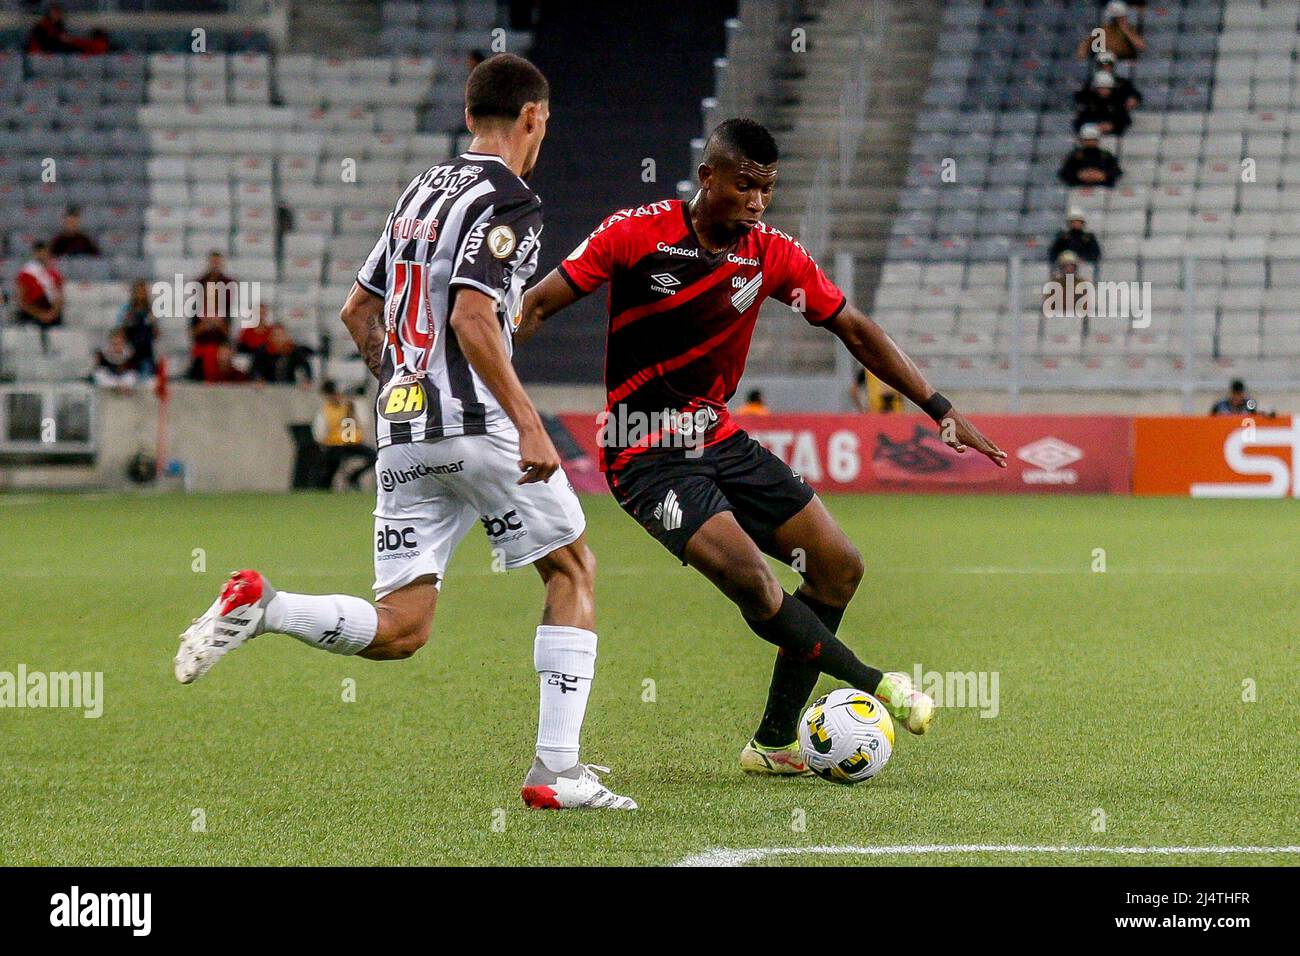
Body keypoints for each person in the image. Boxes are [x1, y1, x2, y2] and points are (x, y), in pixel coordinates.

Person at [174, 54, 635, 812]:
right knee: (572, 572)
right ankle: (556, 770)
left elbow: (358, 310)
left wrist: (401, 383)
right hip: (481, 425)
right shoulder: (514, 198)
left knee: (402, 629)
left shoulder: (419, 192)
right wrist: (529, 424)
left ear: (466, 117)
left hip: (404, 433)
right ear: (533, 118)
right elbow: (472, 315)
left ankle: (266, 607)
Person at [517, 117, 1007, 776]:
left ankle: (774, 745)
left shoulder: (771, 253)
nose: (757, 202)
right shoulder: (636, 234)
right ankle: (878, 683)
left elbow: (855, 330)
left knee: (838, 566)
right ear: (708, 177)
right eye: (745, 186)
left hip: (717, 436)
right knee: (754, 580)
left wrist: (940, 410)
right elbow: (537, 306)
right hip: (643, 454)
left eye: (767, 189)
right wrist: (472, 370)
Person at [314, 380, 378, 489]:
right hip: (335, 445)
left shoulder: (350, 406)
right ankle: (325, 486)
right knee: (333, 462)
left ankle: (354, 476)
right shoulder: (325, 411)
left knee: (374, 456)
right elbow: (319, 434)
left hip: (352, 443)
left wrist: (354, 413)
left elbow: (363, 423)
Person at [14, 241, 64, 332]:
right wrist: (40, 314)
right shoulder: (26, 273)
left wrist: (52, 313)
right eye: (39, 252)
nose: (42, 255)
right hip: (31, 314)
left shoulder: (55, 274)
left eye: (44, 252)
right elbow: (21, 300)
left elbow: (59, 297)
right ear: (35, 254)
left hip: (52, 313)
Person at [1077, 0, 1145, 61]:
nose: (1116, 20)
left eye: (1120, 17)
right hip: (1106, 61)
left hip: (1123, 61)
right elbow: (1083, 50)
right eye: (1115, 18)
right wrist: (1084, 49)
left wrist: (1125, 29)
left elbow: (1141, 46)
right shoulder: (1102, 30)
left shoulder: (1129, 29)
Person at [118, 279, 157, 376]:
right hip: (131, 350)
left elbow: (156, 334)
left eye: (143, 292)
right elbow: (119, 332)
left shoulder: (151, 310)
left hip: (146, 352)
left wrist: (153, 323)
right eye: (138, 292)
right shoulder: (126, 309)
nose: (140, 295)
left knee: (147, 378)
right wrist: (127, 321)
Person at [1072, 72, 1131, 136]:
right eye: (1101, 88)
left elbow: (1125, 120)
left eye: (1107, 88)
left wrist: (1112, 126)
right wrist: (1094, 126)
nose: (1104, 91)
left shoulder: (1117, 102)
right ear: (1095, 89)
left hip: (1114, 136)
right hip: (1091, 136)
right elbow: (1078, 123)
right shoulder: (1089, 102)